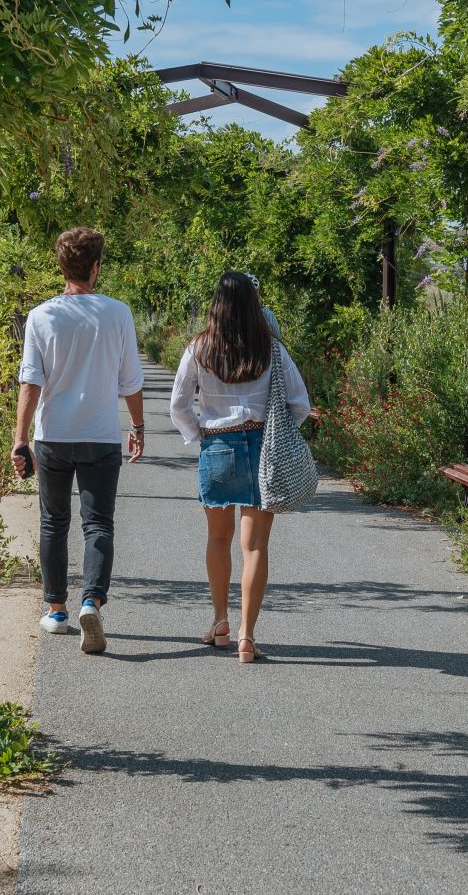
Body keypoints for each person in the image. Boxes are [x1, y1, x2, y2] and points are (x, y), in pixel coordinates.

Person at [11, 227, 145, 655]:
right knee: (98, 523)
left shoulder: (41, 316)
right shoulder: (118, 313)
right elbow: (130, 381)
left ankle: (56, 610)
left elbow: (30, 383)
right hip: (101, 436)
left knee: (54, 522)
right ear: (95, 268)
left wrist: (20, 441)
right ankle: (92, 600)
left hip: (53, 437)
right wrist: (138, 427)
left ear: (62, 266)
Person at [168, 271, 309, 664]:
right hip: (263, 445)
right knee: (256, 547)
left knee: (218, 539)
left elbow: (178, 406)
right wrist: (279, 434)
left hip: (218, 446)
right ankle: (248, 637)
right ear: (253, 303)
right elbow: (300, 403)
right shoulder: (272, 349)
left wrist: (200, 436)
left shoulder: (199, 347)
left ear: (216, 304)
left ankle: (220, 623)